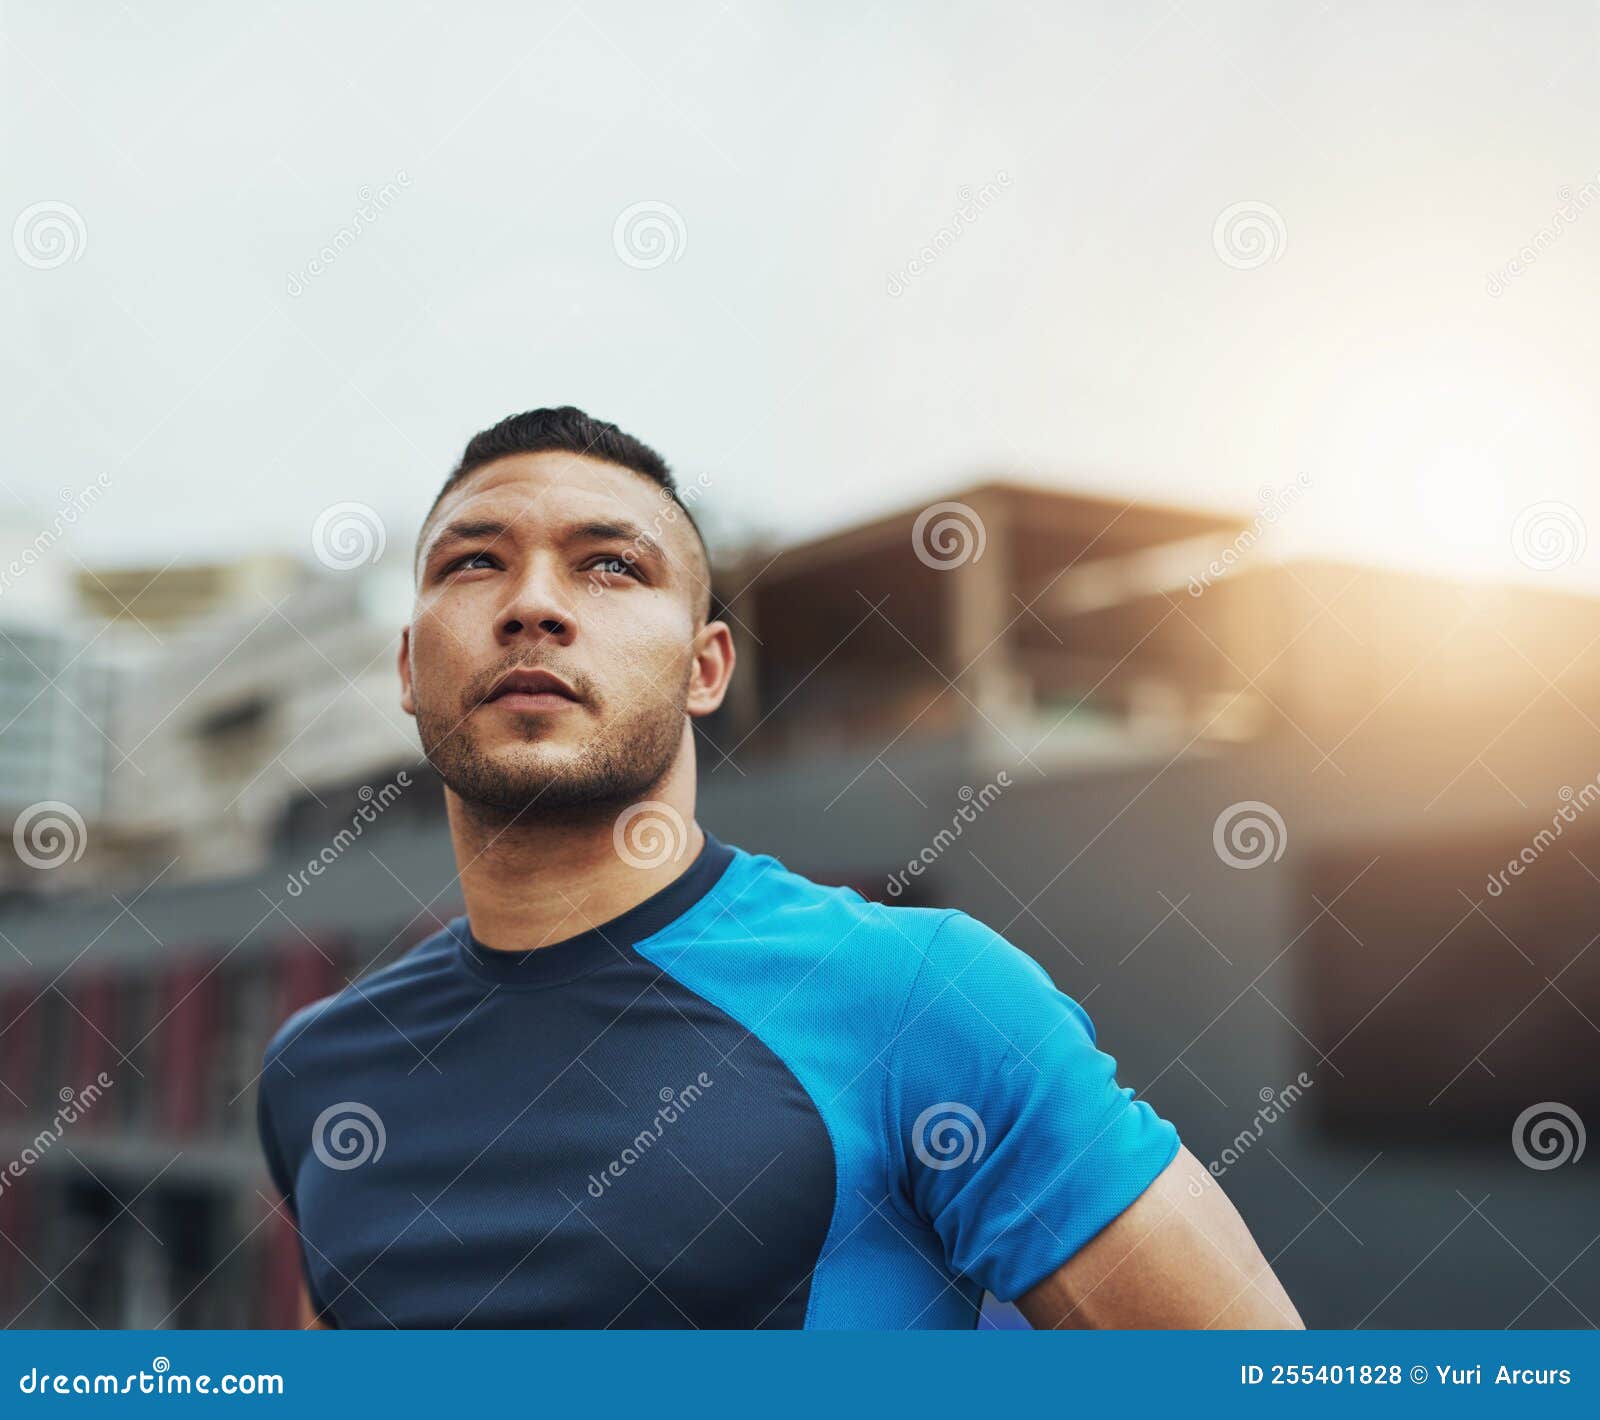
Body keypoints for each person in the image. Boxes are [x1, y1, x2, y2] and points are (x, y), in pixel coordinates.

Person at [257, 406, 1302, 1330]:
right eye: (472, 562)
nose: (533, 603)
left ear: (706, 667)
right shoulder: (319, 1068)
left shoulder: (918, 996)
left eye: (610, 564)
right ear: (407, 667)